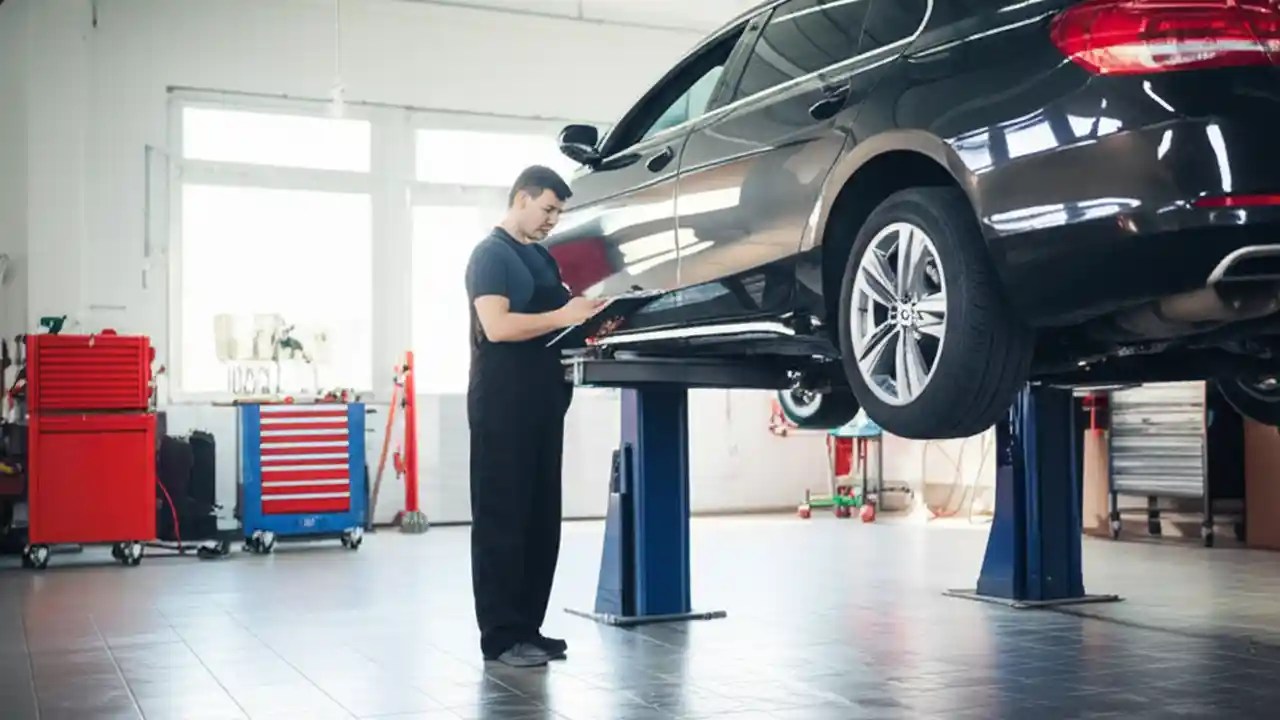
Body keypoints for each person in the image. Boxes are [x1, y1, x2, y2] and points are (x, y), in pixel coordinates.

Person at [464, 165, 603, 667]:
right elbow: (497, 326)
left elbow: (563, 318)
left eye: (558, 214)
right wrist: (565, 316)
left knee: (540, 521)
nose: (551, 221)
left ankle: (529, 628)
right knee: (503, 519)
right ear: (521, 199)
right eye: (547, 210)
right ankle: (501, 638)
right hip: (502, 406)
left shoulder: (541, 259)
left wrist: (595, 316)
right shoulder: (491, 256)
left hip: (545, 403)